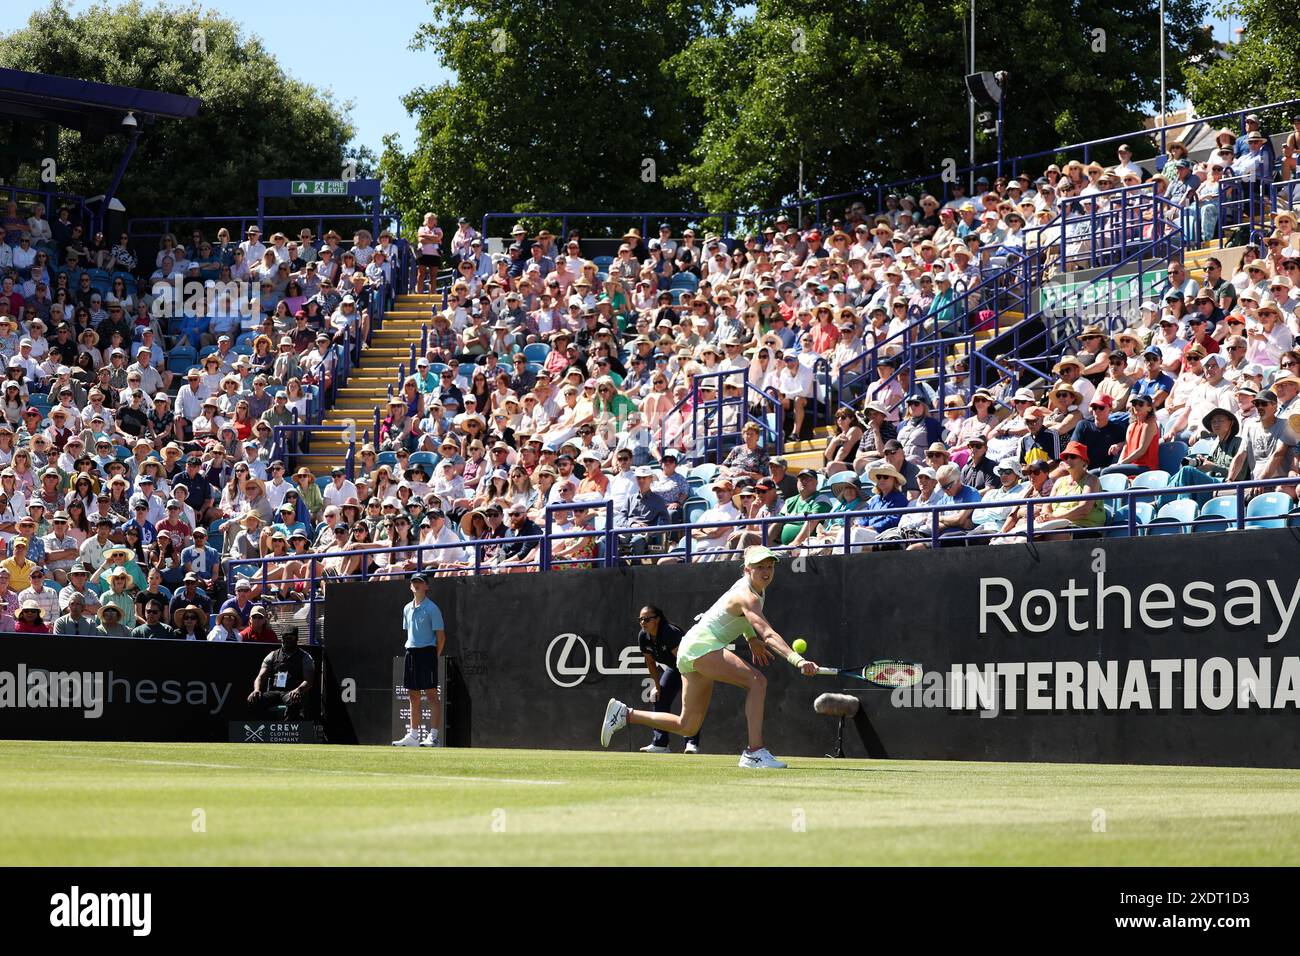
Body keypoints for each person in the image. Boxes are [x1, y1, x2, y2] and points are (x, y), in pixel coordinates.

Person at [600, 546, 819, 769]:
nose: (766, 572)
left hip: (690, 649)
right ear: (747, 569)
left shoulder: (752, 589)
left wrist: (751, 638)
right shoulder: (747, 595)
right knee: (757, 682)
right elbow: (769, 634)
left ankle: (625, 714)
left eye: (770, 567)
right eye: (760, 567)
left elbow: (743, 619)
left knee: (687, 726)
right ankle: (754, 752)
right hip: (701, 646)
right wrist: (797, 660)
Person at [635, 605, 701, 754]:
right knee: (659, 698)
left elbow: (685, 660)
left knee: (689, 702)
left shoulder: (669, 633)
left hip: (690, 667)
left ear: (657, 619)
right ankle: (660, 744)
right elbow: (650, 662)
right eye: (640, 619)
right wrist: (657, 686)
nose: (643, 623)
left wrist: (690, 685)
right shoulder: (643, 636)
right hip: (674, 668)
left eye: (647, 619)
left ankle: (691, 743)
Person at [393, 575, 447, 747]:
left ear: (426, 587)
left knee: (431, 695)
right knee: (413, 695)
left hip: (427, 653)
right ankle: (414, 736)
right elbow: (410, 633)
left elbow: (441, 638)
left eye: (419, 582)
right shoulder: (407, 608)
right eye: (413, 582)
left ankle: (433, 736)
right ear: (410, 587)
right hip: (411, 652)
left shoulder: (432, 609)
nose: (416, 585)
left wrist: (433, 656)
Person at [247, 627, 314, 719]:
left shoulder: (305, 657)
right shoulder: (272, 655)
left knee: (294, 700)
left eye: (292, 637)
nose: (289, 640)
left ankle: (289, 732)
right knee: (254, 699)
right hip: (274, 691)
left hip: (291, 692)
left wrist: (298, 690)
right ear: (282, 639)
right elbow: (260, 677)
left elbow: (309, 681)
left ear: (297, 638)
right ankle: (261, 730)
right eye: (286, 637)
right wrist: (256, 689)